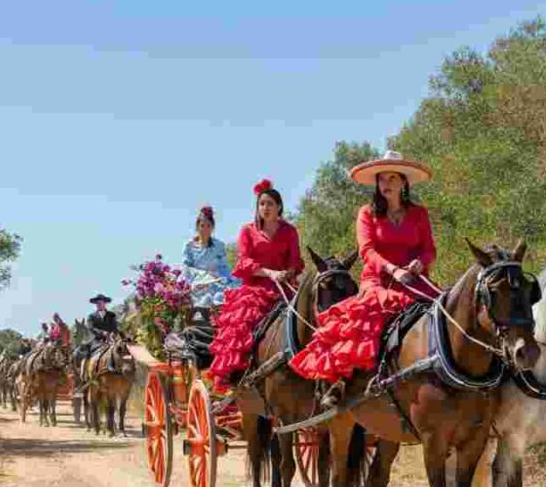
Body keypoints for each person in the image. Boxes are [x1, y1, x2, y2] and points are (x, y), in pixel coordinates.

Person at [289, 151, 439, 408]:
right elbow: (367, 251)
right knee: (365, 324)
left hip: (416, 282)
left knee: (450, 313)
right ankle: (342, 383)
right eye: (382, 179)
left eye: (392, 178)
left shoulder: (419, 214)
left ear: (404, 182)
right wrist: (393, 270)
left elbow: (430, 250)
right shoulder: (367, 213)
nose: (387, 183)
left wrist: (419, 263)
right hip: (378, 282)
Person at [208, 178, 303, 391]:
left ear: (279, 206)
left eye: (270, 203)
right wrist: (270, 273)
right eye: (262, 204)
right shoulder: (247, 231)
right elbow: (245, 262)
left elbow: (296, 261)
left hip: (284, 287)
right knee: (241, 324)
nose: (266, 208)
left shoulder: (290, 231)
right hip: (255, 289)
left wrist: (288, 272)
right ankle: (235, 375)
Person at [182, 205, 236, 308]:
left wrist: (221, 276)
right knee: (199, 295)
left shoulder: (219, 245)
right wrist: (202, 275)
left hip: (215, 280)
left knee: (227, 292)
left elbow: (223, 266)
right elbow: (187, 267)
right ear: (197, 227)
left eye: (208, 226)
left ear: (212, 228)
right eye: (202, 225)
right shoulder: (189, 246)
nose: (205, 229)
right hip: (197, 280)